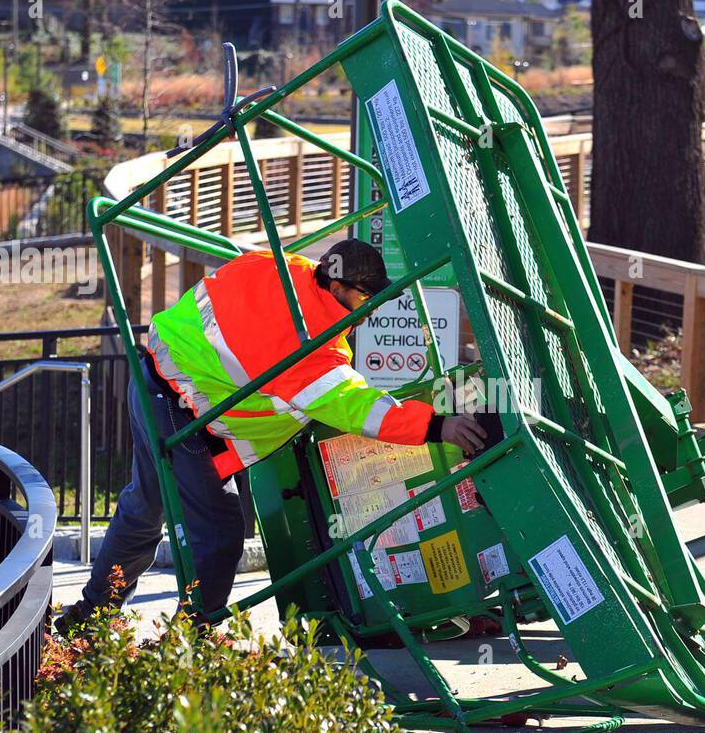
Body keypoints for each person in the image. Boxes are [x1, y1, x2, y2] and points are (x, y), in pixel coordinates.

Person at [57, 239, 488, 634]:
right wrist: (437, 425)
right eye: (365, 296)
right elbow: (359, 407)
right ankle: (186, 642)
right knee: (219, 531)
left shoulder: (279, 266)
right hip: (183, 412)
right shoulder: (312, 347)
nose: (372, 307)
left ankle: (92, 612)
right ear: (336, 285)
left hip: (153, 372)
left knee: (144, 505)